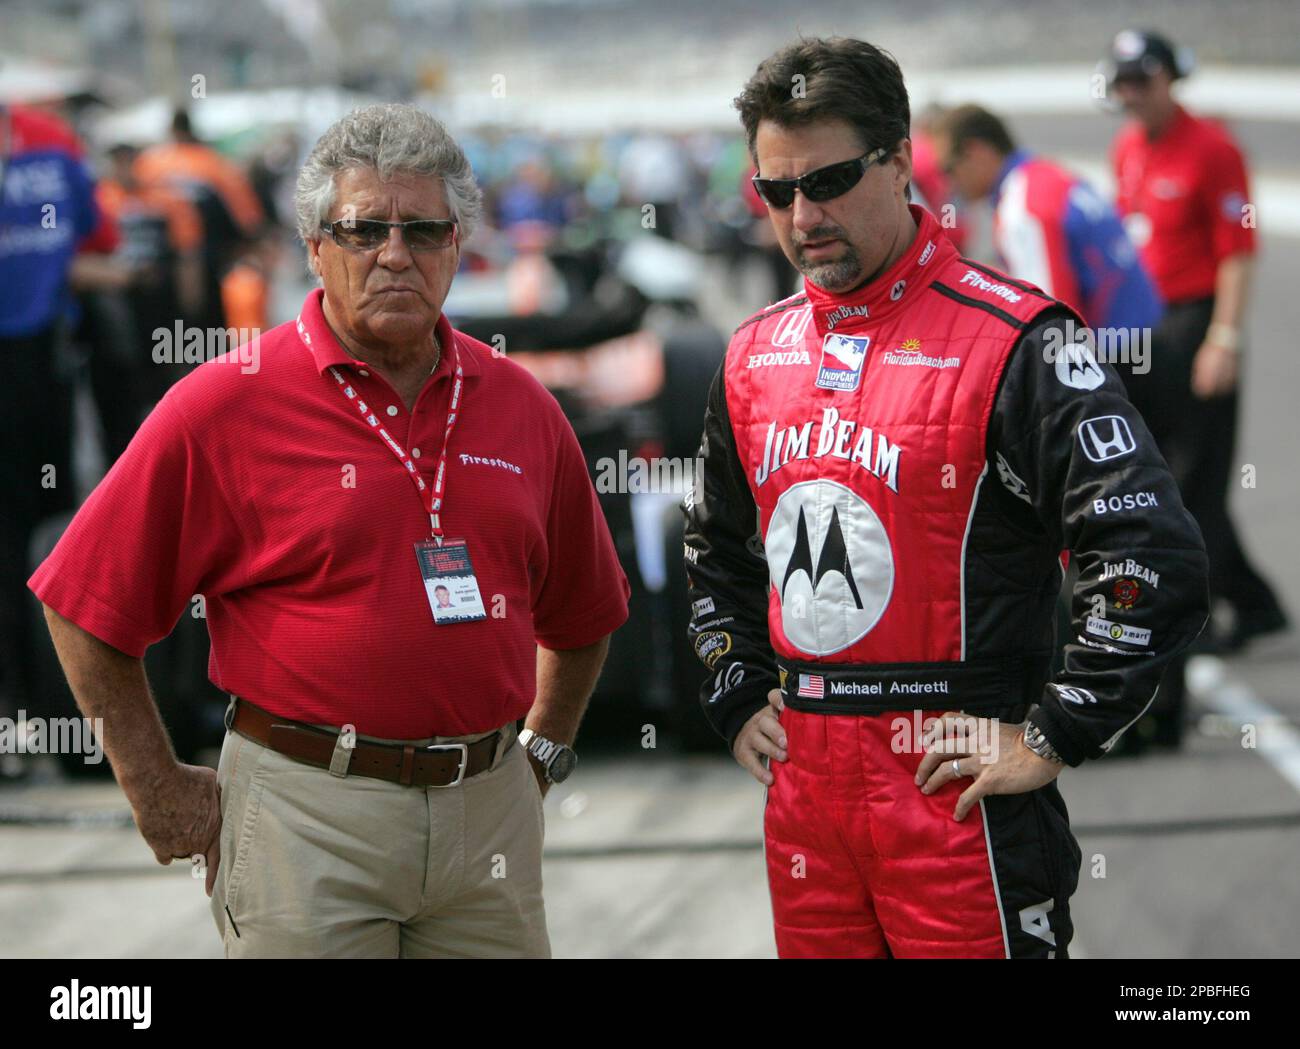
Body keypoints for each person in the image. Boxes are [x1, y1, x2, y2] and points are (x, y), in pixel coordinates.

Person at [30, 103, 630, 958]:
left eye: (424, 230)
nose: (395, 254)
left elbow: (586, 613)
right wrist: (154, 785)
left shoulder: (521, 405)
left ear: (458, 244)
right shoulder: (224, 403)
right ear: (315, 247)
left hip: (487, 813)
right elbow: (82, 601)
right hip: (306, 815)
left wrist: (540, 757)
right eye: (362, 231)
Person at [683, 37, 1209, 958]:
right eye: (776, 191)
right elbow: (714, 548)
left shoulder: (1018, 341)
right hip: (807, 814)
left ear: (898, 164)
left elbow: (1151, 551)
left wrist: (1052, 732)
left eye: (832, 180)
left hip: (958, 802)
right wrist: (734, 689)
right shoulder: (749, 357)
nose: (803, 215)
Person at [1104, 28, 1288, 652]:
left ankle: (1210, 614)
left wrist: (1225, 337)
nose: (1132, 94)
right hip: (1147, 329)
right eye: (1123, 82)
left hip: (1198, 320)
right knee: (1163, 476)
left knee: (1197, 479)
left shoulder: (1212, 149)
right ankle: (1255, 602)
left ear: (1169, 79)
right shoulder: (1127, 149)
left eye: (1143, 80)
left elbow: (1238, 252)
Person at [0, 102, 118, 725]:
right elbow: (102, 241)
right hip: (40, 374)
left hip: (38, 369)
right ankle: (46, 709)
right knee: (47, 537)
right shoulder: (51, 142)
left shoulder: (49, 140)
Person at [932, 103, 1160, 335]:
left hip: (1119, 352)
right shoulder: (1040, 173)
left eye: (948, 169)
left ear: (975, 152)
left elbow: (1050, 322)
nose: (950, 185)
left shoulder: (1022, 209)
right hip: (1144, 334)